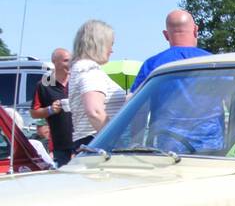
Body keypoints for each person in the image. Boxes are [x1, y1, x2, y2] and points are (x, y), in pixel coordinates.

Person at [129, 9, 223, 153]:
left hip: (167, 149)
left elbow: (139, 110)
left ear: (166, 35)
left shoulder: (153, 65)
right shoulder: (216, 63)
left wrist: (136, 144)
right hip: (212, 146)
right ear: (196, 30)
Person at [67, 20, 126, 149]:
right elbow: (94, 111)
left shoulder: (80, 68)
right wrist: (116, 142)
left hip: (89, 141)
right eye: (111, 44)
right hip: (98, 144)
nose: (112, 50)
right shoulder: (90, 69)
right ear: (99, 44)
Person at [130, 9, 210, 91]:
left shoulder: (150, 65)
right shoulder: (212, 62)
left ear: (166, 35)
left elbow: (134, 97)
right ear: (196, 31)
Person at [31, 48, 74, 165]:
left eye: (71, 60)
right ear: (54, 62)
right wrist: (50, 109)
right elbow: (33, 113)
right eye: (66, 61)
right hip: (60, 144)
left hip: (82, 140)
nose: (70, 64)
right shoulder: (44, 84)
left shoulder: (77, 80)